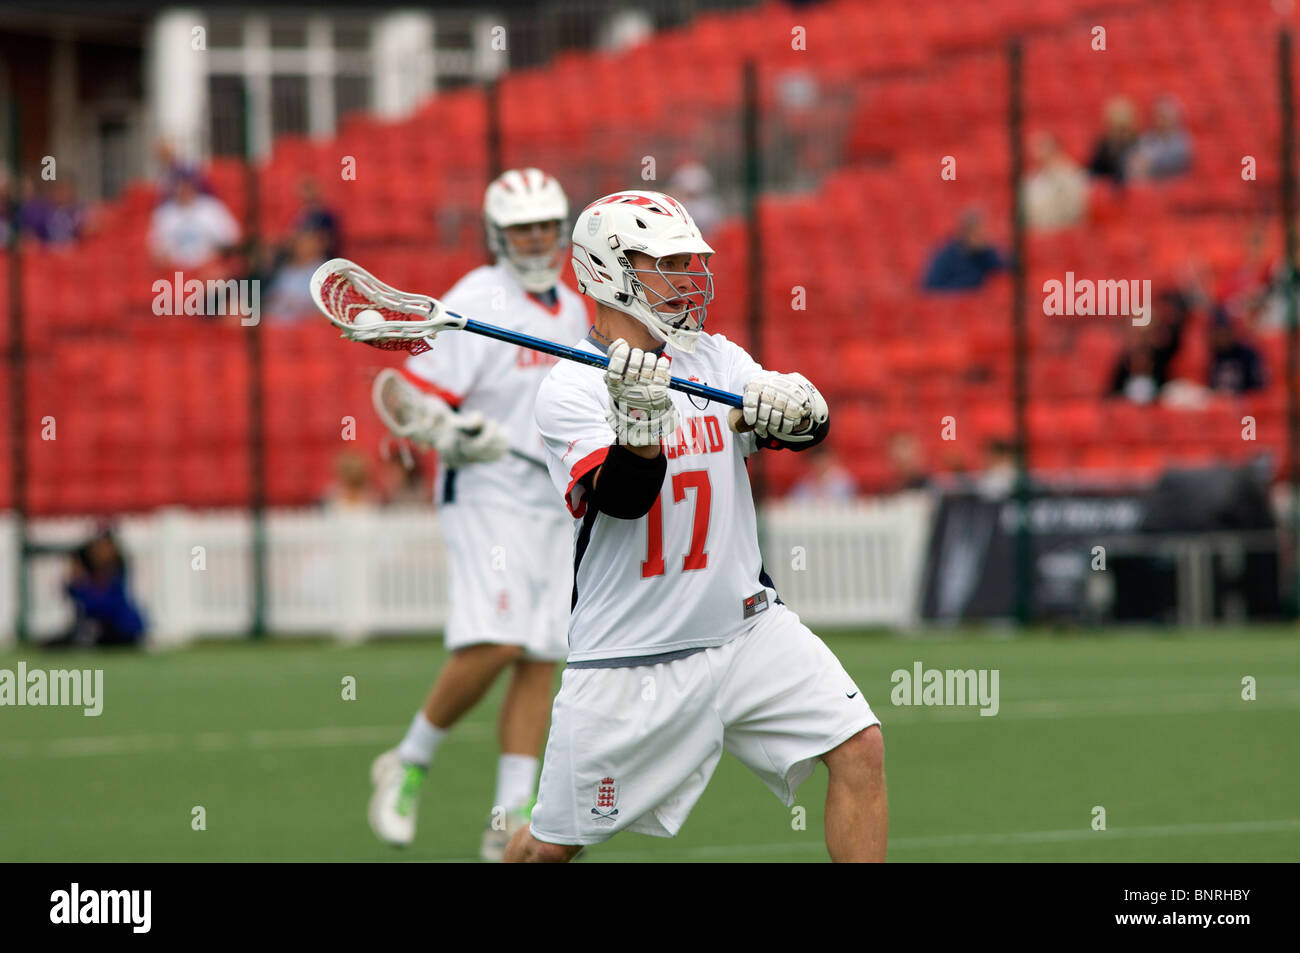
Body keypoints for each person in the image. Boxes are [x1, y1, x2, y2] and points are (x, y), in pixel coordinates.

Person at [507, 190, 886, 863]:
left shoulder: (715, 358)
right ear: (610, 269)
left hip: (745, 629)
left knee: (859, 746)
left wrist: (801, 405)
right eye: (670, 263)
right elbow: (624, 499)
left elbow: (801, 429)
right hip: (631, 653)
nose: (688, 278)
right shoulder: (569, 389)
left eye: (691, 262)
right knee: (546, 850)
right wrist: (641, 429)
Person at [367, 169, 590, 861]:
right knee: (496, 638)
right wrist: (447, 430)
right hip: (486, 488)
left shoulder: (576, 311)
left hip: (551, 495)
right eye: (522, 227)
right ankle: (407, 759)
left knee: (539, 652)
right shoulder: (478, 297)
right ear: (499, 233)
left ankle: (507, 817)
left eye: (545, 226)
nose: (535, 239)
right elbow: (403, 397)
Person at [48, 528, 146, 649]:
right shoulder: (89, 573)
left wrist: (81, 587)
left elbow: (107, 606)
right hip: (99, 629)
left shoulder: (115, 572)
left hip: (121, 630)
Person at [148, 174, 241, 275]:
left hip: (208, 268)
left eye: (187, 185)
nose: (184, 189)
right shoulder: (165, 213)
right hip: (175, 271)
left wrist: (217, 253)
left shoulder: (212, 208)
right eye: (181, 186)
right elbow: (155, 248)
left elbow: (232, 239)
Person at [921, 209, 1008, 292]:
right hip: (952, 301)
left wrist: (990, 250)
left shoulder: (985, 255)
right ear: (964, 233)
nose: (979, 238)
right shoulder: (946, 256)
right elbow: (930, 287)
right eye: (975, 234)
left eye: (981, 233)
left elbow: (1009, 265)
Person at [1023, 132, 1088, 232]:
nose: (1039, 155)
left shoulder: (1069, 174)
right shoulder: (1034, 177)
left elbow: (1075, 209)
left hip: (1063, 231)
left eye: (1044, 149)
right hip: (1037, 231)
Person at [1130, 96, 1193, 182]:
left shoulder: (1183, 140)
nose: (1162, 121)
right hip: (1151, 183)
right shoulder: (1147, 138)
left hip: (1174, 182)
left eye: (1165, 117)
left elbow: (1179, 161)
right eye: (1159, 116)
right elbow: (1137, 158)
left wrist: (1152, 162)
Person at [1087, 97, 1139, 185]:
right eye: (1116, 127)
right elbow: (1093, 173)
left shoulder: (1137, 144)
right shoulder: (1103, 146)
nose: (1120, 133)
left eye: (1123, 128)